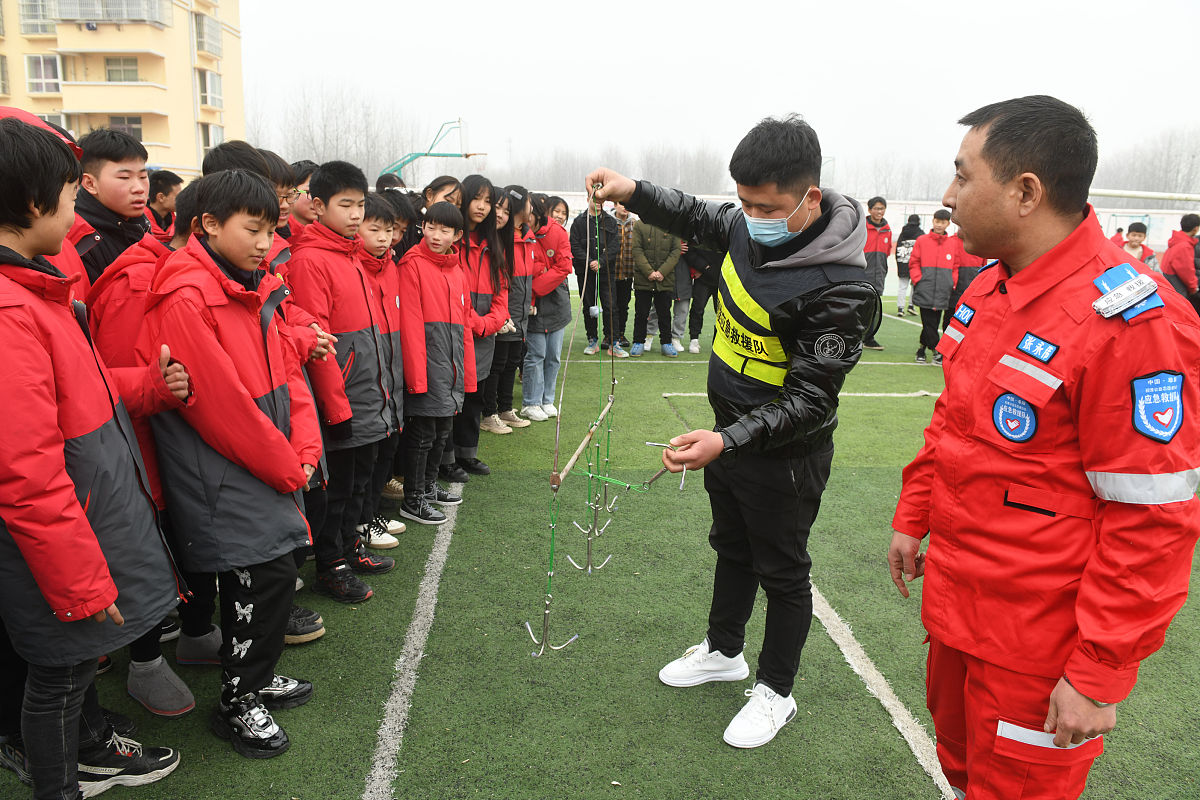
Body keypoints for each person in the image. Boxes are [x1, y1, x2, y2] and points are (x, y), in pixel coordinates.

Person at [888, 95, 1200, 800]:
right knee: (964, 774)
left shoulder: (1130, 323)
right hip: (962, 610)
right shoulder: (991, 287)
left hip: (1040, 647)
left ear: (1025, 191)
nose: (948, 196)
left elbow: (1151, 518)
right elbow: (954, 422)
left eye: (964, 176)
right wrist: (916, 512)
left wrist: (1097, 672)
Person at [586, 114, 880, 749]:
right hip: (729, 434)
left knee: (783, 571)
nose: (748, 215)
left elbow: (810, 400)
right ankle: (724, 651)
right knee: (732, 547)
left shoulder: (845, 286)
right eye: (743, 201)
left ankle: (776, 691)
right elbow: (692, 211)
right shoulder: (744, 224)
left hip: (787, 454)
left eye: (764, 205)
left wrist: (729, 439)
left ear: (810, 197)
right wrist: (630, 188)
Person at [0, 115, 185, 800]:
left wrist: (151, 387)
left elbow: (92, 395)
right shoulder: (12, 311)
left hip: (78, 535)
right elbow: (25, 471)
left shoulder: (37, 292)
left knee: (72, 675)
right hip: (56, 552)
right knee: (57, 683)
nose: (73, 210)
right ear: (29, 205)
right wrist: (82, 584)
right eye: (64, 194)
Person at [139, 169, 321, 759]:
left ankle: (257, 678)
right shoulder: (187, 294)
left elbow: (287, 370)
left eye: (272, 229)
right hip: (221, 467)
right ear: (208, 225)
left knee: (273, 571)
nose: (267, 242)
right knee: (256, 575)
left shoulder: (251, 282)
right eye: (253, 228)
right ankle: (238, 701)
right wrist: (287, 465)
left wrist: (304, 448)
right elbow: (218, 405)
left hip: (265, 457)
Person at [289, 161, 397, 602]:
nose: (356, 214)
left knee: (361, 482)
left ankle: (350, 548)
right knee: (340, 490)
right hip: (345, 400)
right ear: (318, 206)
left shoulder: (355, 256)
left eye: (360, 205)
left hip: (371, 395)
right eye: (345, 205)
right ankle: (330, 565)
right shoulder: (310, 260)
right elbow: (319, 342)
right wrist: (336, 409)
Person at [397, 202, 475, 525]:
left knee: (442, 432)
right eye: (431, 226)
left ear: (457, 235)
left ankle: (428, 488)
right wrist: (417, 377)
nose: (435, 234)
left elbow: (465, 326)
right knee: (423, 434)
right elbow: (411, 326)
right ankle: (413, 498)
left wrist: (466, 374)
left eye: (444, 229)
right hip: (427, 368)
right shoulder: (411, 265)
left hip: (451, 368)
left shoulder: (457, 269)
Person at [354, 193, 406, 547]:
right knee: (362, 465)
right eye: (375, 230)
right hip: (362, 381)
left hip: (388, 375)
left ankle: (370, 515)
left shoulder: (390, 266)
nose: (385, 237)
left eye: (390, 230)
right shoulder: (354, 266)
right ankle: (360, 523)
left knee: (383, 456)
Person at [453, 176, 510, 464]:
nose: (484, 207)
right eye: (478, 198)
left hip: (485, 336)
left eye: (489, 201)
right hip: (457, 333)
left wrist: (492, 322)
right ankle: (447, 460)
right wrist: (476, 323)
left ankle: (468, 455)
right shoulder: (452, 239)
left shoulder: (492, 244)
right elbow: (450, 294)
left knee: (476, 397)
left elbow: (502, 293)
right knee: (454, 399)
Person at [73, 128, 152, 284]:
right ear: (90, 183)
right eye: (124, 177)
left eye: (143, 176)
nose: (139, 188)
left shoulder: (143, 225)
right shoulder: (80, 240)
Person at [522, 194, 573, 419]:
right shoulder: (520, 233)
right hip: (531, 303)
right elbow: (526, 268)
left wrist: (538, 284)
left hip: (555, 301)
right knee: (535, 354)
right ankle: (531, 402)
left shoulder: (558, 233)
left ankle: (547, 399)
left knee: (553, 355)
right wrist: (540, 273)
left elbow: (565, 266)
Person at [570, 195, 625, 356]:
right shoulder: (579, 222)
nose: (599, 204)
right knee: (589, 307)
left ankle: (613, 343)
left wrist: (600, 261)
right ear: (589, 198)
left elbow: (615, 245)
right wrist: (589, 262)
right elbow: (574, 245)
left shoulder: (610, 221)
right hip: (585, 272)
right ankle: (592, 340)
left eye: (602, 201)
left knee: (611, 307)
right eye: (596, 200)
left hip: (606, 271)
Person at [909, 209, 958, 364]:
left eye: (943, 222)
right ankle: (937, 350)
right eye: (937, 221)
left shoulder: (952, 244)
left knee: (932, 324)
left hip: (944, 290)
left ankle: (921, 350)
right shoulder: (922, 241)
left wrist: (952, 282)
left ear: (948, 224)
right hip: (925, 288)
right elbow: (914, 262)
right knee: (929, 322)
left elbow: (955, 266)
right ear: (933, 221)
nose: (939, 225)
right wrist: (919, 279)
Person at [630, 220, 682, 357]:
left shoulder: (673, 225)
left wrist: (662, 272)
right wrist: (649, 272)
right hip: (643, 278)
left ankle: (666, 343)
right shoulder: (640, 224)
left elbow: (676, 251)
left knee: (664, 313)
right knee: (641, 313)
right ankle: (638, 342)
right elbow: (636, 249)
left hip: (665, 278)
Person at [682, 237, 723, 353]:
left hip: (722, 278)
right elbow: (690, 252)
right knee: (697, 309)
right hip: (703, 278)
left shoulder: (725, 230)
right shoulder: (700, 231)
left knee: (722, 312)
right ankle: (694, 339)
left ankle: (719, 340)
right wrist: (704, 267)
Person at [862, 196, 890, 349]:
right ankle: (855, 336)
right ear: (870, 210)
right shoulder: (861, 227)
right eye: (877, 208)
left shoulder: (887, 230)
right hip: (863, 274)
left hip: (878, 275)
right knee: (859, 306)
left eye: (882, 208)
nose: (880, 211)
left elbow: (886, 254)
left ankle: (869, 338)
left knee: (873, 308)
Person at [611, 200, 637, 349]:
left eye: (627, 205)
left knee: (623, 306)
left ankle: (620, 333)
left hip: (628, 273)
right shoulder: (608, 222)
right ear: (615, 205)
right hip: (611, 272)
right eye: (621, 204)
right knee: (610, 306)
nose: (625, 207)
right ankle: (609, 335)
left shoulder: (635, 224)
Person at [1159, 213, 1199, 304]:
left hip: (1168, 279)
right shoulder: (1185, 246)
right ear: (1195, 228)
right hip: (1176, 284)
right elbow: (1186, 270)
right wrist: (1193, 287)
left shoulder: (1176, 240)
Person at [894, 213, 923, 316]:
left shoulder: (903, 233)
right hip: (915, 265)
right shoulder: (921, 234)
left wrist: (899, 263)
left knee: (902, 286)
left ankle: (900, 308)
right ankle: (911, 305)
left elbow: (897, 249)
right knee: (914, 286)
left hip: (903, 263)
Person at [145, 169, 183, 245]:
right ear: (161, 197)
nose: (182, 200)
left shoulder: (177, 224)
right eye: (179, 196)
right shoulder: (141, 226)